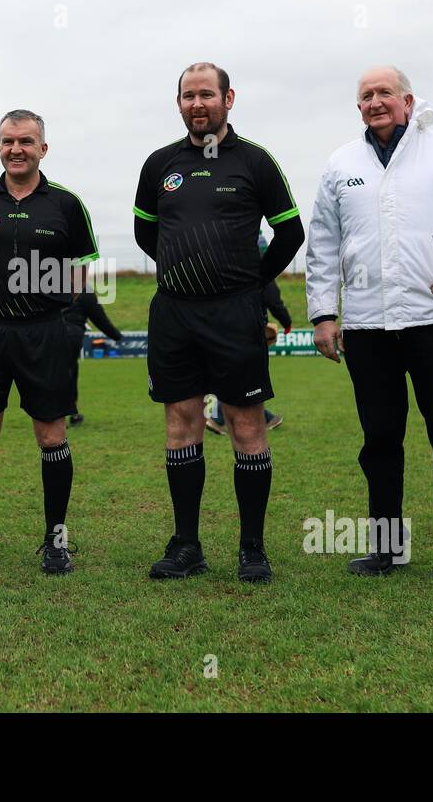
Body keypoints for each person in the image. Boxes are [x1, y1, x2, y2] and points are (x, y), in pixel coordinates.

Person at [306, 67, 433, 580]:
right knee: (380, 441)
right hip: (368, 327)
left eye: (384, 93)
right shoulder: (340, 164)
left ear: (408, 101)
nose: (375, 102)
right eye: (366, 95)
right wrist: (324, 313)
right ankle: (387, 547)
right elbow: (323, 243)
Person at [133, 62, 304, 584]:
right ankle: (186, 545)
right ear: (179, 104)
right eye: (188, 96)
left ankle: (252, 548)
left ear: (229, 99)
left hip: (235, 314)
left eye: (207, 94)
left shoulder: (255, 161)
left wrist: (248, 284)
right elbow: (147, 236)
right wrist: (184, 269)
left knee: (247, 425)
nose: (197, 104)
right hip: (174, 313)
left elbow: (290, 234)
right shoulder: (160, 163)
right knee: (181, 422)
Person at [0, 109, 99, 576]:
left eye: (26, 141)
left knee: (52, 435)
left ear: (42, 149)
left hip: (44, 333)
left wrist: (39, 309)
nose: (16, 149)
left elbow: (76, 279)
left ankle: (56, 541)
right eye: (8, 141)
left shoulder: (66, 205)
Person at [207, 236, 290, 434]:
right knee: (250, 377)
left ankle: (254, 417)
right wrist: (286, 322)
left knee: (234, 374)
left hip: (221, 326)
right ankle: (219, 417)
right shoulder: (262, 269)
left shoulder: (224, 265)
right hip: (249, 329)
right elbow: (272, 299)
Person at [63, 290, 123, 425]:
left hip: (50, 333)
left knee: (67, 372)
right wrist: (117, 336)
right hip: (71, 335)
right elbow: (99, 318)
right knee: (68, 373)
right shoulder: (84, 291)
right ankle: (60, 414)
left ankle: (71, 413)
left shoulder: (51, 285)